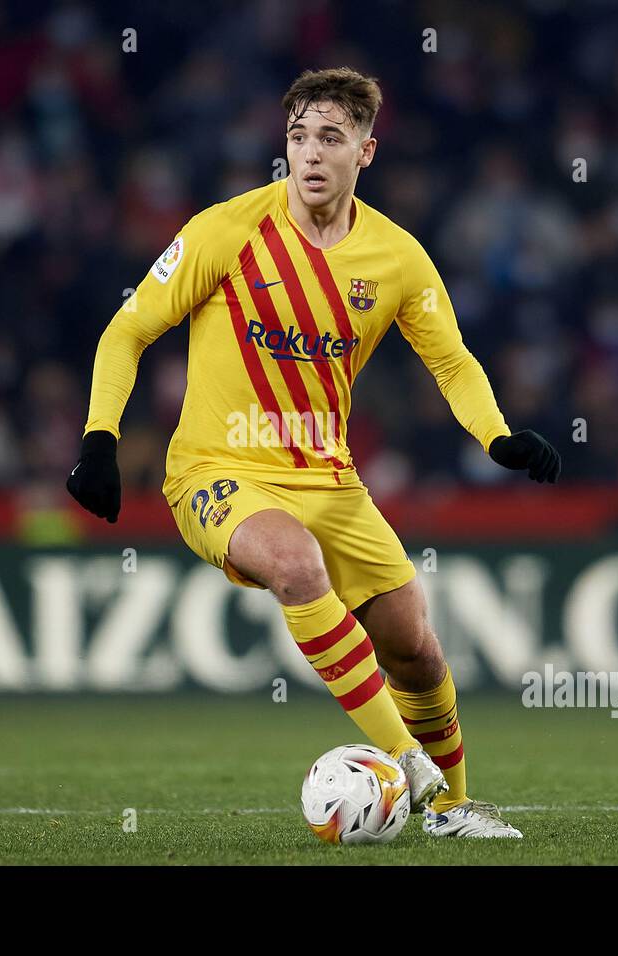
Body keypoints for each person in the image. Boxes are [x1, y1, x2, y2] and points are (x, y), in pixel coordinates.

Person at [68, 67, 560, 838]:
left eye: (331, 137)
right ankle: (413, 768)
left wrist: (497, 433)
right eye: (298, 136)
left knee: (417, 651)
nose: (311, 153)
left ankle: (455, 810)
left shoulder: (396, 258)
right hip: (216, 469)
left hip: (328, 477)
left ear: (367, 151)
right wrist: (101, 437)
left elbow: (452, 362)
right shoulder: (223, 231)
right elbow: (127, 329)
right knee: (297, 566)